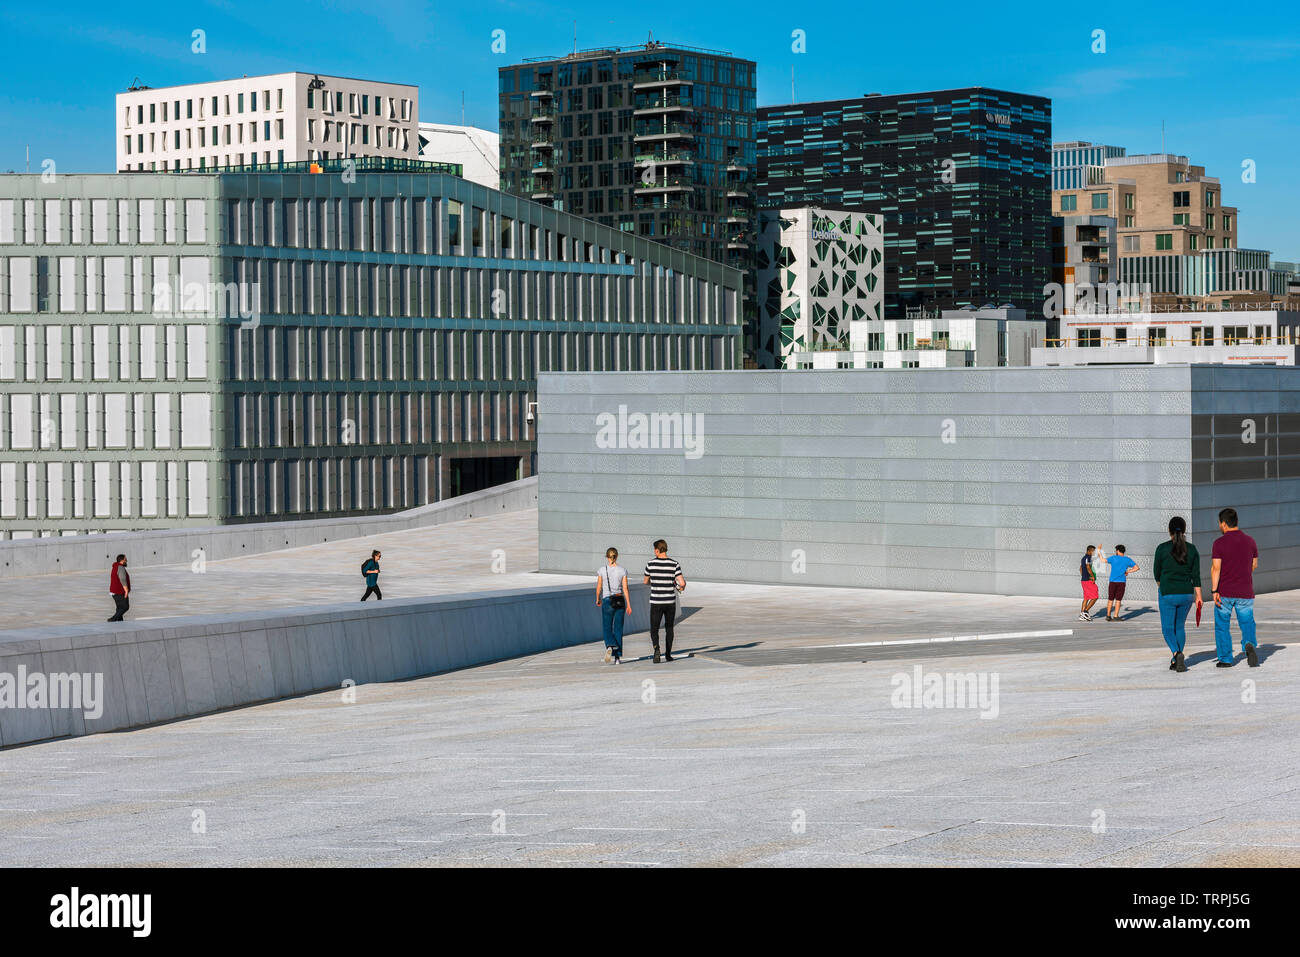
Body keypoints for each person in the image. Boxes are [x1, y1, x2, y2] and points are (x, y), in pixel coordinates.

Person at [1211, 507, 1260, 668]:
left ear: (1224, 524)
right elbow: (1254, 564)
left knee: (1222, 625)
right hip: (1245, 591)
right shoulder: (1250, 541)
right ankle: (1249, 644)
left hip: (1224, 591)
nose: (1219, 526)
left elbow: (1216, 568)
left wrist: (1214, 590)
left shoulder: (1219, 543)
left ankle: (1225, 659)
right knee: (1247, 622)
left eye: (1219, 523)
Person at [1153, 517, 1201, 673]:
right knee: (1179, 627)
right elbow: (1196, 575)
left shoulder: (1161, 548)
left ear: (1169, 531)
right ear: (1185, 530)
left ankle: (1177, 653)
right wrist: (1198, 596)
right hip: (1187, 594)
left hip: (1168, 592)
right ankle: (1176, 661)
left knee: (1167, 629)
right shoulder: (1192, 549)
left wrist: (1162, 585)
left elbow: (1156, 572)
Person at [643, 539, 686, 663]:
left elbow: (645, 581)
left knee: (654, 628)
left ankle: (656, 650)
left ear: (657, 550)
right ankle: (668, 654)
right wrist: (680, 586)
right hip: (669, 602)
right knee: (669, 628)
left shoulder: (650, 564)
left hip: (656, 601)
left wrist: (654, 582)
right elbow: (682, 583)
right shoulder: (674, 564)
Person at [595, 547, 631, 664]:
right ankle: (617, 658)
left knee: (607, 627)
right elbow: (625, 588)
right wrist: (629, 605)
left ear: (607, 556)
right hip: (620, 600)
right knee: (618, 629)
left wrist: (597, 598)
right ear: (617, 556)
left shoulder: (602, 570)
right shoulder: (622, 570)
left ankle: (610, 644)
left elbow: (599, 587)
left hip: (607, 600)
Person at [1104, 545, 1139, 621]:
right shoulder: (1127, 559)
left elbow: (1103, 560)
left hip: (1112, 582)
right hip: (1121, 582)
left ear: (1118, 550)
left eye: (1116, 550)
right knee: (1118, 600)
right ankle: (1116, 616)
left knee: (1110, 599)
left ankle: (1108, 616)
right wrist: (1128, 571)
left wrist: (1099, 552)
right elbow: (1137, 568)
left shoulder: (1113, 558)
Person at [1078, 545, 1099, 621]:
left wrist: (1083, 575)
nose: (1094, 553)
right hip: (1088, 580)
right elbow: (1088, 567)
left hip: (1083, 580)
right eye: (1093, 551)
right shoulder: (1088, 558)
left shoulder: (1083, 558)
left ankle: (1082, 615)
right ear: (1089, 550)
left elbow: (1080, 568)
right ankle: (1085, 612)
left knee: (1086, 598)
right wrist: (1092, 576)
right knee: (1095, 596)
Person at [107, 554, 131, 622]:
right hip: (119, 591)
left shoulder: (115, 566)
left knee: (119, 608)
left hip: (114, 591)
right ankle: (113, 619)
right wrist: (126, 591)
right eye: (125, 559)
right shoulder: (120, 567)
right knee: (125, 607)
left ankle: (120, 622)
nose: (126, 560)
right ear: (122, 560)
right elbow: (122, 579)